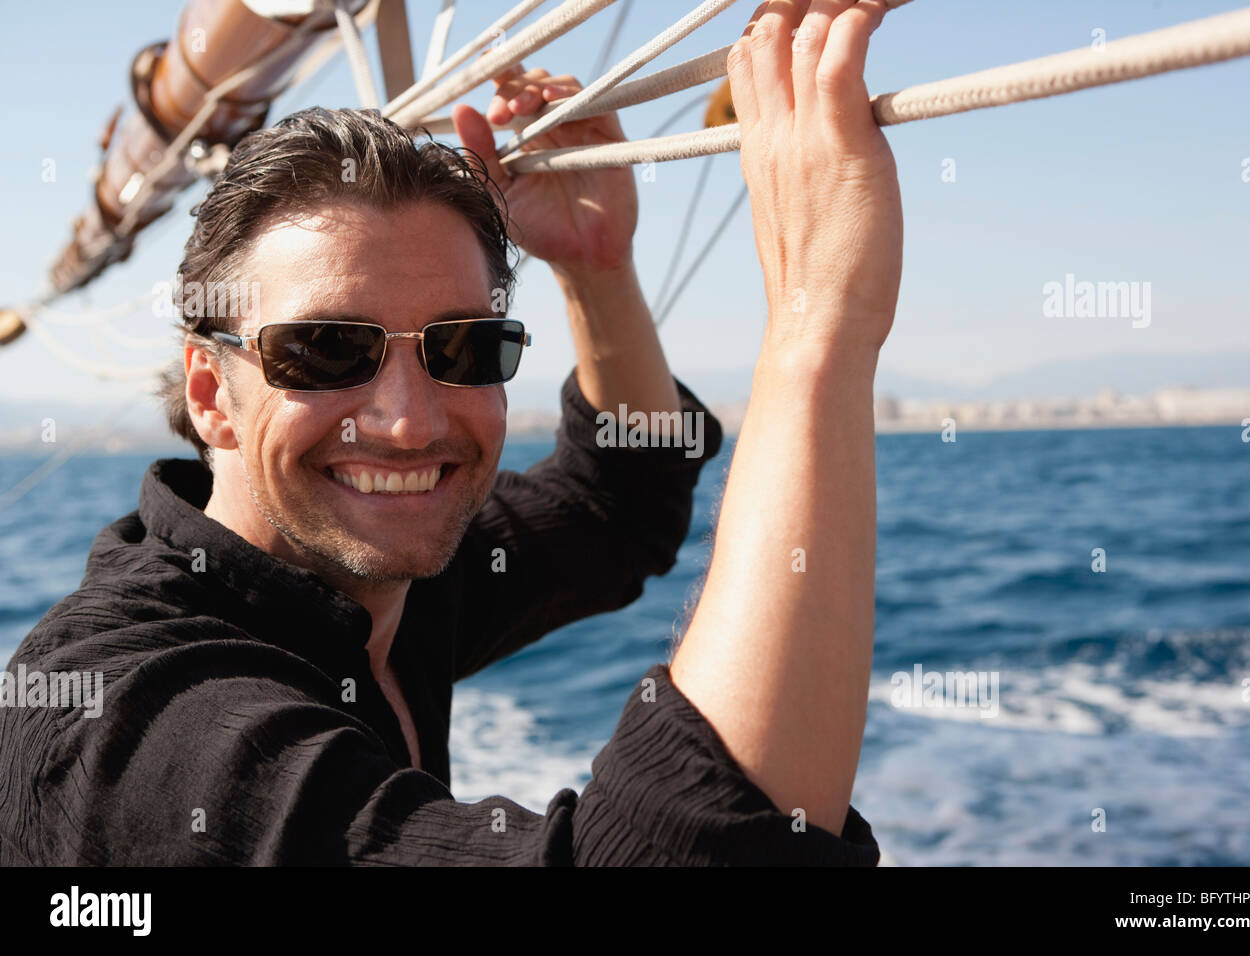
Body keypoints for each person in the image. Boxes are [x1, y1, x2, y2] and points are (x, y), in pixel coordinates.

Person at [0, 0, 900, 865]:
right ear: (209, 392)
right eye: (324, 349)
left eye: (463, 349)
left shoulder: (371, 573)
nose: (409, 421)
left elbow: (617, 510)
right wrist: (819, 327)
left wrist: (597, 269)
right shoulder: (131, 731)